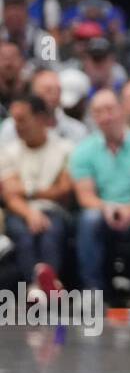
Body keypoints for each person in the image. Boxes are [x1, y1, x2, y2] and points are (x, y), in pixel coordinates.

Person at [69, 90, 130, 306]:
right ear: (92, 118)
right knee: (89, 218)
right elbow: (85, 196)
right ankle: (92, 291)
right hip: (103, 211)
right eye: (98, 112)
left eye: (110, 110)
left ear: (122, 110)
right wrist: (107, 208)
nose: (105, 117)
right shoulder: (83, 151)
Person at [0, 94, 74, 296]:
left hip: (55, 211)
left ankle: (37, 289)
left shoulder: (64, 148)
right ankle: (45, 287)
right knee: (24, 235)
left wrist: (28, 189)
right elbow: (10, 195)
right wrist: (29, 213)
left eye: (22, 120)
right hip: (19, 211)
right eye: (14, 121)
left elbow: (64, 190)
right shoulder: (7, 151)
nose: (17, 126)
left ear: (41, 118)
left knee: (52, 233)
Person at [0, 68, 88, 145]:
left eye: (58, 90)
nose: (54, 95)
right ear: (34, 93)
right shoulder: (11, 127)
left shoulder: (77, 129)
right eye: (48, 90)